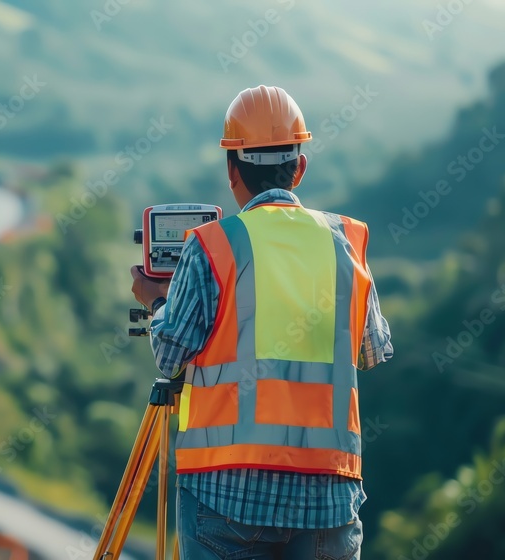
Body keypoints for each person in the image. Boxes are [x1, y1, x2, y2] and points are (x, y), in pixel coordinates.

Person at [130, 85, 393, 560]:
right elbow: (372, 352)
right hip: (328, 494)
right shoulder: (346, 241)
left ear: (232, 170)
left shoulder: (213, 245)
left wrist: (158, 303)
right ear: (301, 166)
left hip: (226, 492)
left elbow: (170, 357)